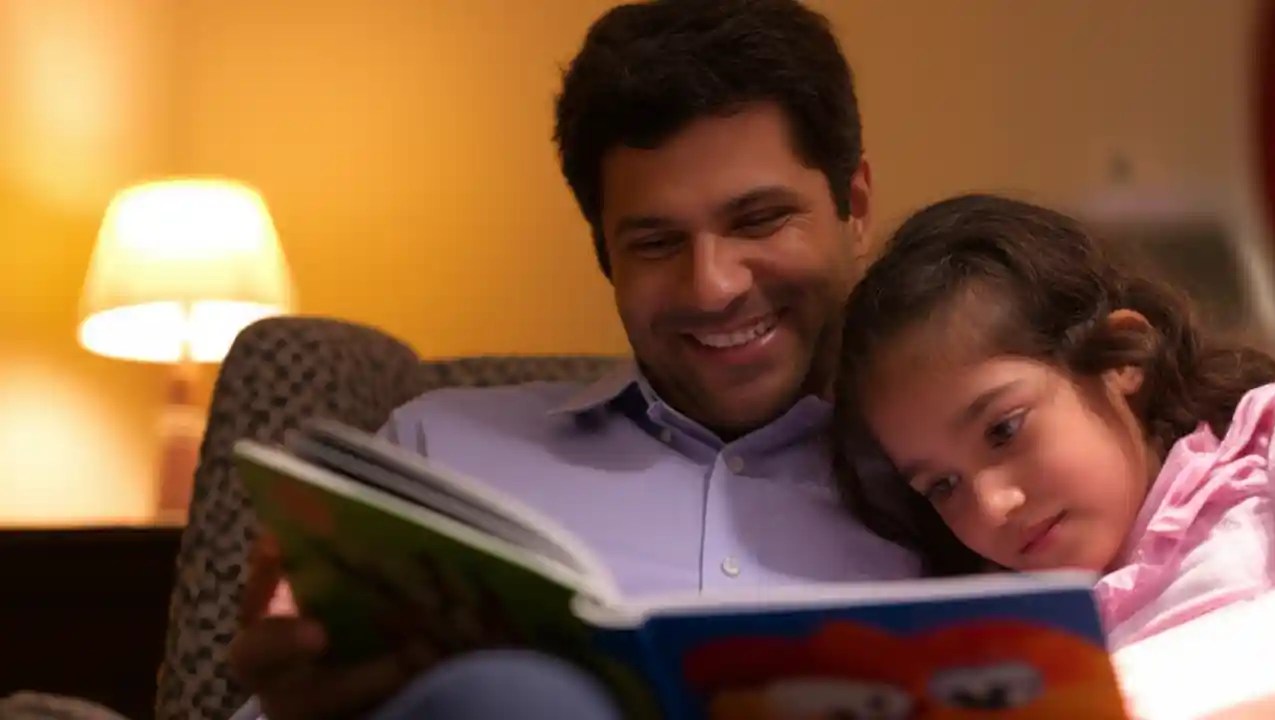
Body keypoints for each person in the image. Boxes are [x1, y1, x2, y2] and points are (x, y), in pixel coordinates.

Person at [227, 1, 921, 718]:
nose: (712, 287)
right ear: (605, 258)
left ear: (856, 207)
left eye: (759, 220)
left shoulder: (960, 478)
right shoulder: (432, 458)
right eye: (656, 243)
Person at [830, 193, 1275, 718]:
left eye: (1004, 430)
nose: (993, 506)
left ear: (1121, 359)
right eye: (942, 486)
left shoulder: (1262, 460)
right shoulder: (1004, 648)